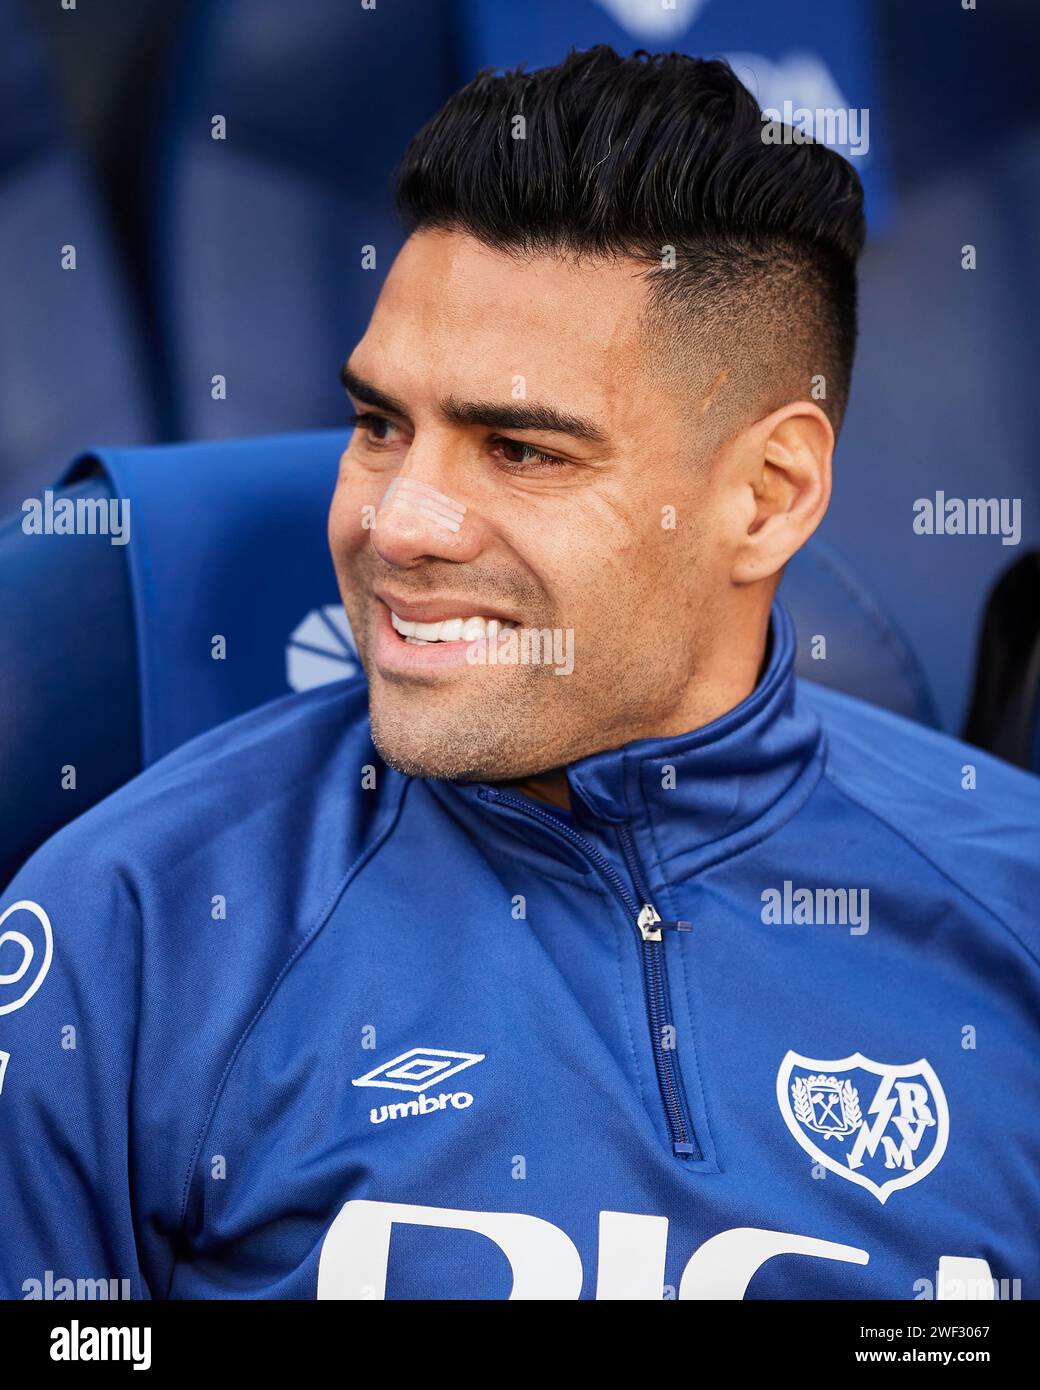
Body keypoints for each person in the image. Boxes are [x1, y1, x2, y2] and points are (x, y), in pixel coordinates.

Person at [1, 46, 1037, 1302]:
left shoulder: (1007, 911)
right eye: (380, 425)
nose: (398, 524)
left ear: (766, 499)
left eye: (519, 450)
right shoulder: (127, 928)